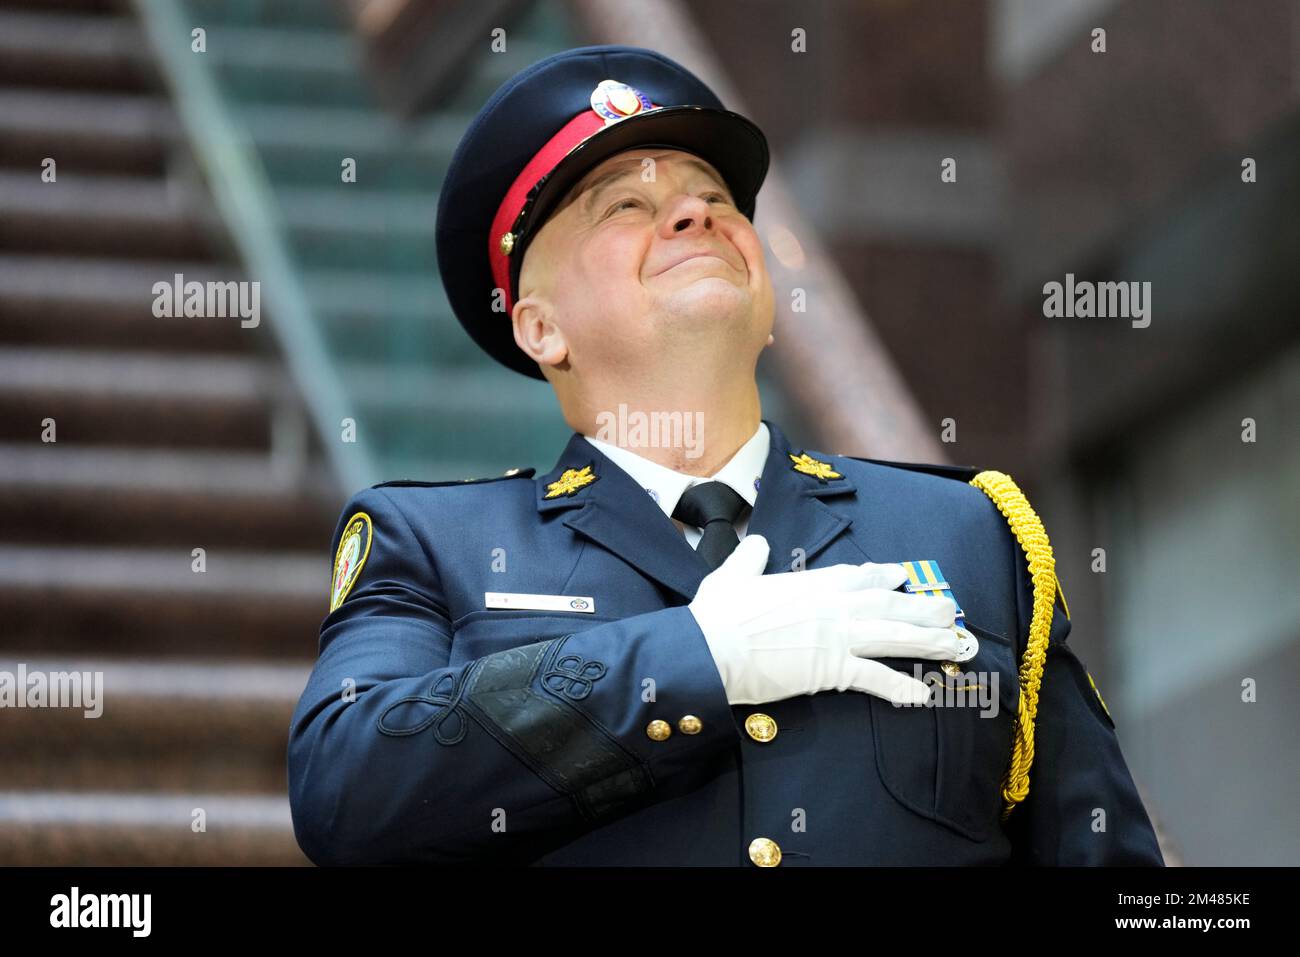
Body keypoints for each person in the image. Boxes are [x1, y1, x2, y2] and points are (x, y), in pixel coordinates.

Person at [287, 44, 1165, 866]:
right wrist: (702, 657)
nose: (694, 210)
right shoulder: (433, 542)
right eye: (625, 206)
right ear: (541, 327)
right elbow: (345, 785)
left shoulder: (969, 533)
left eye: (714, 196)